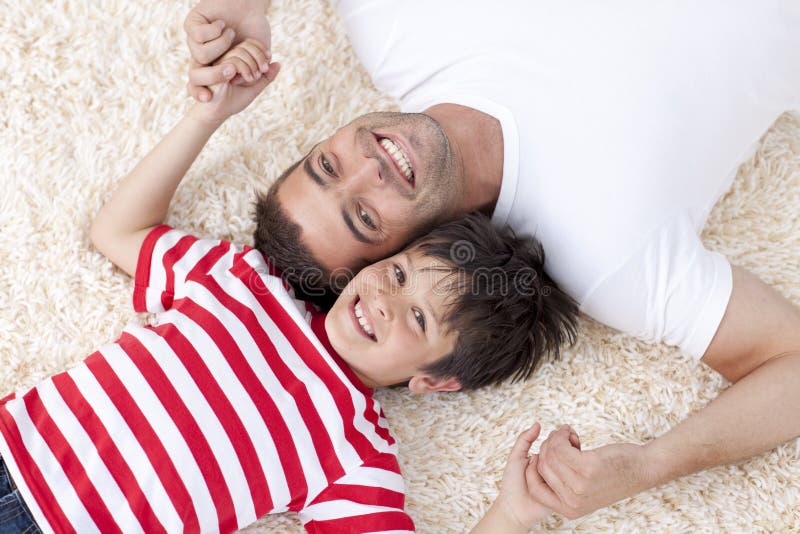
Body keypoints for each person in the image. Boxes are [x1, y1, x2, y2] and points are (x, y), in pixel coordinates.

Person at [183, 0, 800, 521]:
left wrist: (241, 8)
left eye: (327, 166)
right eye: (365, 217)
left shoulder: (394, 28)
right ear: (406, 261)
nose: (367, 167)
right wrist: (652, 462)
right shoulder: (611, 262)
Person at [0, 38, 577, 533]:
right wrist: (206, 116)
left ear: (435, 380)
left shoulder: (354, 453)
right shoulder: (241, 278)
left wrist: (510, 513)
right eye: (398, 274)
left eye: (420, 319)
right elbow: (118, 230)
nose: (384, 301)